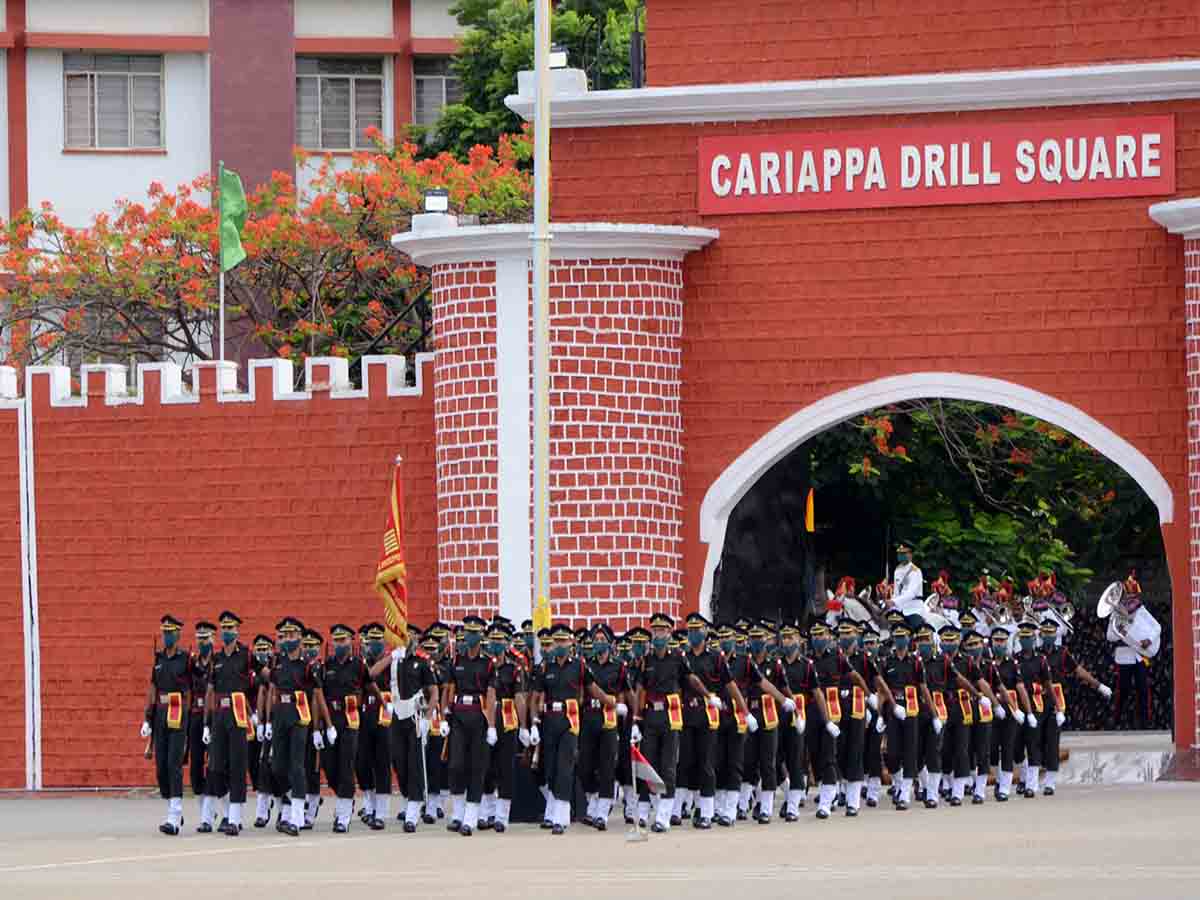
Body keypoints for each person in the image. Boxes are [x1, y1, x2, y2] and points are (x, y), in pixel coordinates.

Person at [534, 624, 615, 834]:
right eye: (556, 641)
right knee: (551, 767)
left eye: (563, 641)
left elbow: (592, 688)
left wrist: (610, 701)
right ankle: (552, 812)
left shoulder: (579, 666)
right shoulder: (546, 667)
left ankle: (561, 817)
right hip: (550, 719)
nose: (560, 645)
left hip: (570, 721)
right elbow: (538, 695)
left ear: (571, 643)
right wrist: (534, 722)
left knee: (564, 767)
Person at [1039, 619, 1111, 795]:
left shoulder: (1062, 653)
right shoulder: (1036, 654)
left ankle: (1050, 782)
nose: (1048, 636)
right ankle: (1034, 776)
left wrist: (1098, 685)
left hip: (1056, 698)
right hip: (1037, 699)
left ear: (1055, 635)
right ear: (1040, 635)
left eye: (1051, 633)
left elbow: (1078, 671)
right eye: (1045, 633)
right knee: (1036, 741)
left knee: (1052, 741)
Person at [268, 617, 325, 836]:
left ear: (300, 637)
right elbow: (273, 690)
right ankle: (290, 803)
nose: (288, 640)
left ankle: (297, 817)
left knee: (297, 765)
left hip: (300, 715)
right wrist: (269, 720)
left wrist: (321, 726)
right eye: (285, 635)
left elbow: (318, 695)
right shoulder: (278, 662)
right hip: (280, 715)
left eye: (292, 636)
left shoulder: (309, 665)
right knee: (278, 767)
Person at [442, 614, 498, 836]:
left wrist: (492, 725)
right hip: (458, 716)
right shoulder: (457, 660)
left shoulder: (488, 663)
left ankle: (471, 816)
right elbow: (449, 688)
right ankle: (457, 812)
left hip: (479, 715)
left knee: (477, 766)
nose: (469, 636)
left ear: (481, 635)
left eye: (474, 633)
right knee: (455, 764)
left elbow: (491, 695)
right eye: (467, 632)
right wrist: (445, 715)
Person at [143, 615, 194, 835]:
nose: (167, 637)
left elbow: (189, 692)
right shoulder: (159, 659)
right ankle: (172, 805)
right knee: (161, 766)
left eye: (170, 633)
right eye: (164, 633)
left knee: (174, 764)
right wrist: (147, 718)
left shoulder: (185, 659)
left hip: (178, 712)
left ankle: (174, 815)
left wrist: (187, 718)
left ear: (178, 634)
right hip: (161, 714)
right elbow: (153, 689)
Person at [741, 621, 796, 823]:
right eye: (753, 638)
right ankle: (753, 802)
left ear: (768, 640)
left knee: (768, 762)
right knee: (749, 760)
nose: (756, 642)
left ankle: (766, 807)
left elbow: (784, 689)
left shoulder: (775, 665)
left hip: (770, 715)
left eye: (760, 638)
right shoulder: (746, 663)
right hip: (751, 713)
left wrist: (795, 710)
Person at [204, 611, 254, 836]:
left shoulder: (246, 655)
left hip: (239, 713)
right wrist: (207, 722)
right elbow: (210, 691)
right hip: (220, 715)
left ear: (237, 630)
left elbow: (258, 684)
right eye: (223, 628)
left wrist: (255, 714)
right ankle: (226, 811)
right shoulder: (216, 659)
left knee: (237, 764)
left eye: (230, 628)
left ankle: (235, 817)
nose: (226, 632)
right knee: (215, 766)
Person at [678, 613, 729, 829]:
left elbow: (729, 684)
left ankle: (707, 811)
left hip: (709, 714)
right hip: (686, 714)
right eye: (690, 630)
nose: (693, 633)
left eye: (697, 629)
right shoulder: (682, 657)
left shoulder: (716, 658)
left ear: (705, 632)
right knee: (686, 761)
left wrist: (742, 711)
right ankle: (680, 809)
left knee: (706, 762)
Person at [578, 623, 630, 831]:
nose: (598, 643)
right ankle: (593, 800)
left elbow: (625, 692)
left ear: (610, 643)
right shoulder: (585, 664)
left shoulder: (619, 666)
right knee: (584, 766)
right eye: (595, 640)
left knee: (607, 764)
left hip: (609, 717)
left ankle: (602, 811)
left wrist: (629, 718)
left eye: (602, 640)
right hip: (589, 715)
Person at [322, 623, 368, 832]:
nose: (339, 644)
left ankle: (343, 814)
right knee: (329, 765)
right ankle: (343, 797)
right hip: (331, 719)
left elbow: (369, 685)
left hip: (350, 720)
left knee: (346, 764)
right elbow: (319, 693)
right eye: (336, 640)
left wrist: (384, 704)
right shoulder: (327, 664)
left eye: (343, 640)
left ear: (351, 642)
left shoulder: (358, 665)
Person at [483, 620, 527, 833]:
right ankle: (488, 811)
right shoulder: (485, 665)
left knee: (505, 767)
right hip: (486, 716)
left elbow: (519, 697)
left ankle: (502, 815)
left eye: (499, 640)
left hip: (507, 718)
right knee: (485, 766)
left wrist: (525, 726)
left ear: (506, 642)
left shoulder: (514, 667)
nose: (495, 643)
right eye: (492, 639)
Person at [1106, 572, 1162, 729]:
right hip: (1123, 657)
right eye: (1128, 595)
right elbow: (1110, 636)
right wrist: (1121, 632)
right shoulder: (1115, 614)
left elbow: (1157, 627)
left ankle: (1145, 721)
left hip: (1139, 656)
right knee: (1122, 691)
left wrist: (1149, 639)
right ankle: (1116, 720)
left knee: (1143, 689)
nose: (1131, 599)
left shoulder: (1141, 611)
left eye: (1133, 595)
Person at [188, 621, 215, 832]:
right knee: (196, 768)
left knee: (216, 767)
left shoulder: (219, 662)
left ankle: (210, 816)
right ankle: (205, 811)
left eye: (205, 638)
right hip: (195, 717)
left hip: (216, 718)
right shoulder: (192, 663)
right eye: (199, 638)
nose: (202, 642)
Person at [891, 542, 926, 629]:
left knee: (918, 630)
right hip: (899, 609)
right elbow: (896, 592)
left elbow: (911, 593)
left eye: (903, 553)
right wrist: (889, 603)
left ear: (910, 555)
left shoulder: (915, 571)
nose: (900, 555)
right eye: (899, 553)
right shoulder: (897, 570)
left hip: (913, 609)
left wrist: (894, 602)